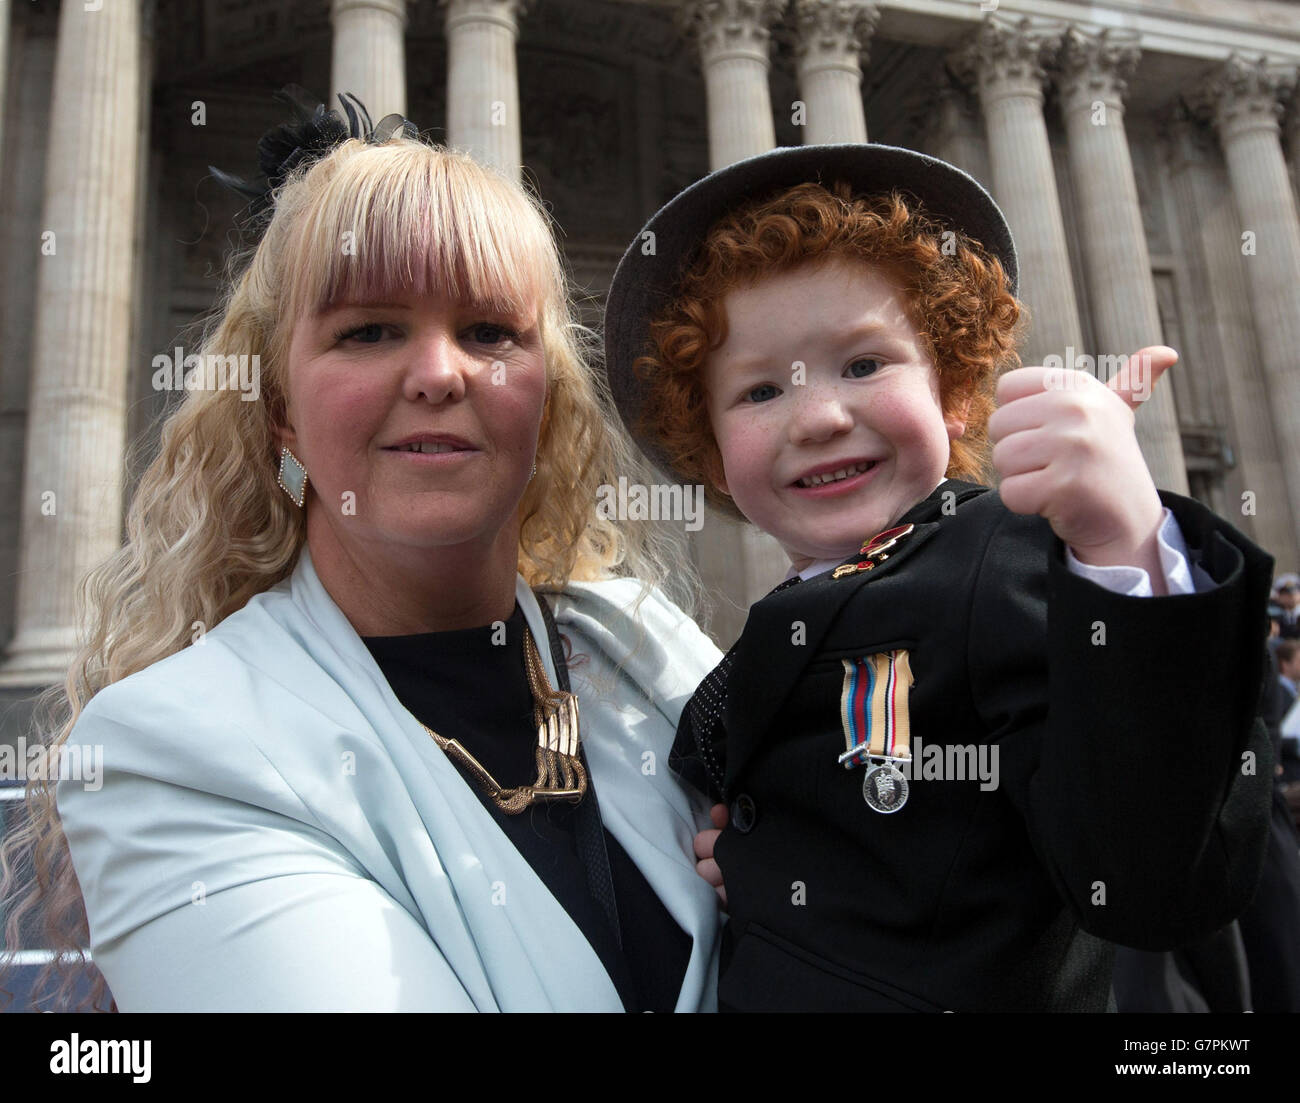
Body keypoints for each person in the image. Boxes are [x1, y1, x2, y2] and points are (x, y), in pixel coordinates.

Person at [0, 91, 723, 1012]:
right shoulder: (174, 745)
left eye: (490, 331)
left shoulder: (645, 645)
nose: (438, 373)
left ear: (548, 398)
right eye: (368, 330)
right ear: (280, 416)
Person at [602, 143, 1275, 1012]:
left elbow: (1150, 871)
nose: (819, 416)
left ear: (956, 392)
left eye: (863, 364)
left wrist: (1123, 545)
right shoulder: (806, 602)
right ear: (717, 461)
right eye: (761, 391)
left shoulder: (997, 556)